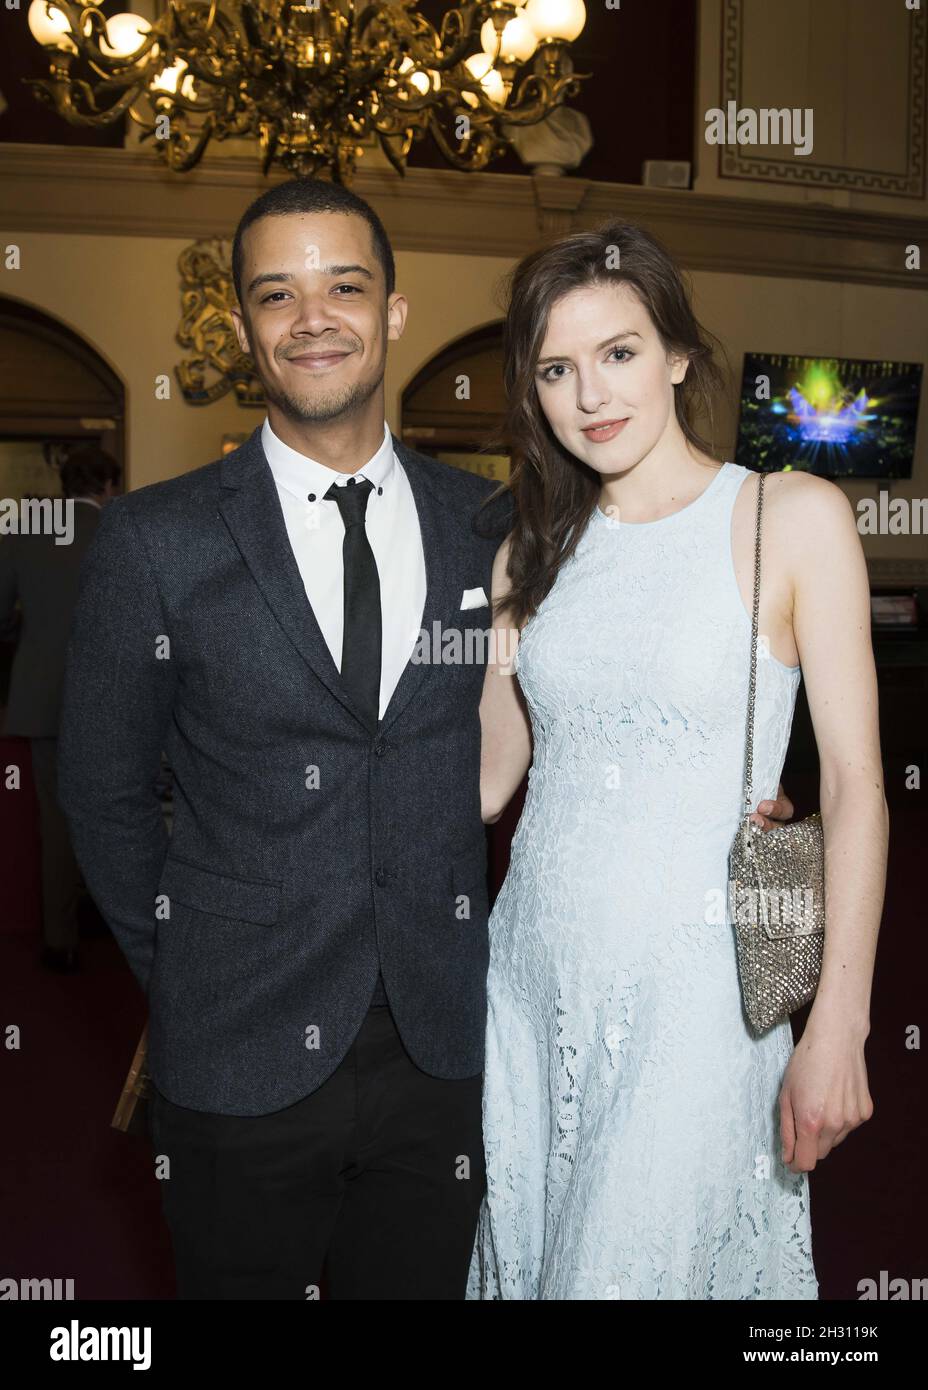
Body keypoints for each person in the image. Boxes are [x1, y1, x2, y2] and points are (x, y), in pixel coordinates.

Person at [57, 182, 794, 1301]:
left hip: (450, 1051)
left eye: (344, 285)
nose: (313, 316)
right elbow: (101, 793)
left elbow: (576, 711)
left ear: (392, 311)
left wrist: (730, 803)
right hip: (235, 1053)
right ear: (244, 325)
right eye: (276, 294)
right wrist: (196, 966)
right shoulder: (153, 540)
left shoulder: (495, 527)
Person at [467, 221, 887, 1300]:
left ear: (677, 356)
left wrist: (837, 1019)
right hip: (527, 984)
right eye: (556, 368)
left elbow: (849, 787)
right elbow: (486, 773)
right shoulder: (529, 550)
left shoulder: (787, 517)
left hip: (696, 1000)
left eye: (618, 352)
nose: (590, 394)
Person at [0, 444, 121, 971]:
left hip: (44, 696)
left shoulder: (23, 530)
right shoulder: (123, 531)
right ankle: (123, 929)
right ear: (109, 486)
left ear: (63, 485)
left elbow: (1, 617)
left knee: (54, 817)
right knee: (117, 814)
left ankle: (60, 939)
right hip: (115, 700)